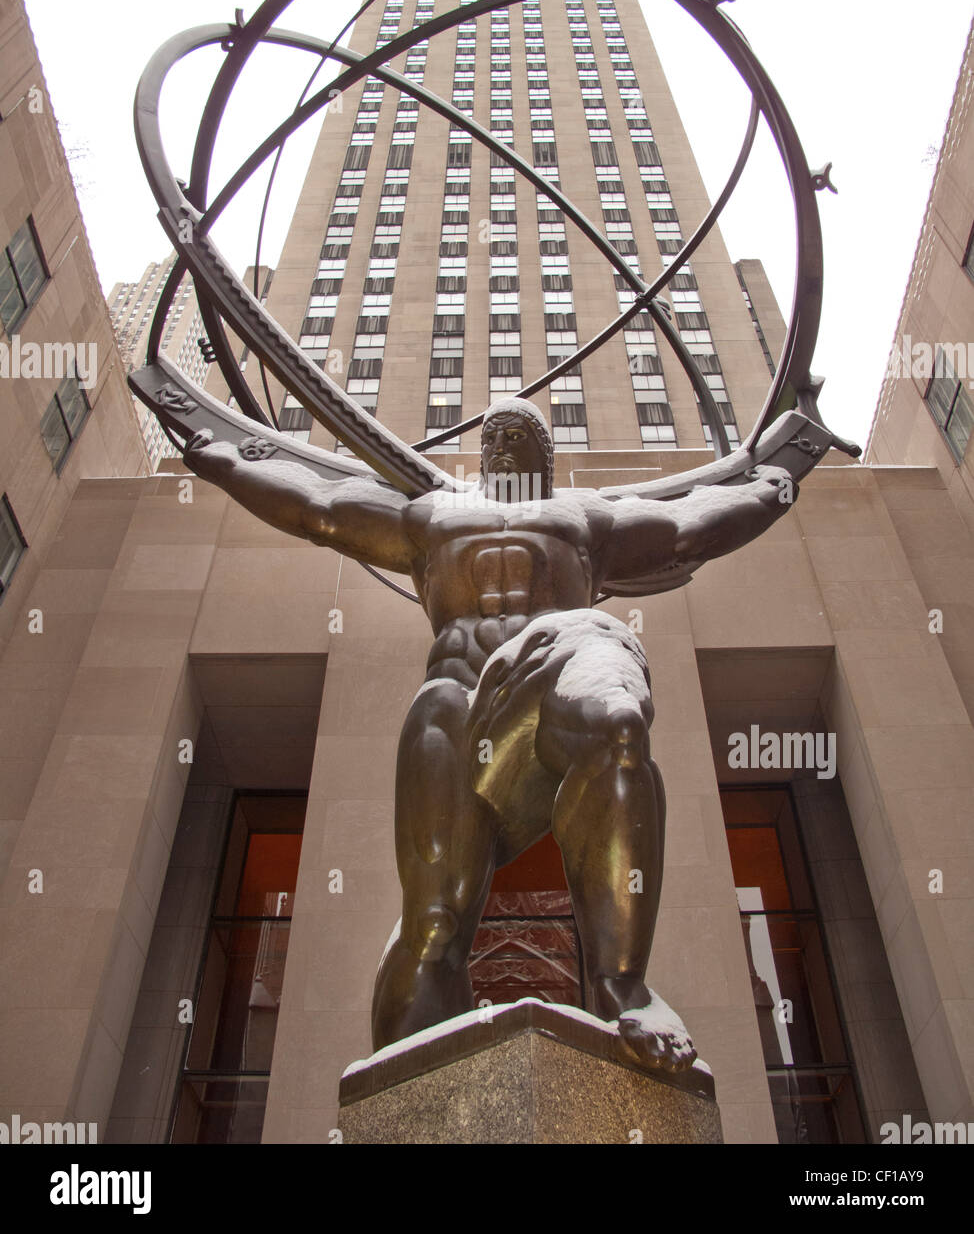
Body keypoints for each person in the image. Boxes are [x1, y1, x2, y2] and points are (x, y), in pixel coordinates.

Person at [184, 397, 794, 1071]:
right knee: (435, 924)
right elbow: (321, 509)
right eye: (493, 435)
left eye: (520, 435)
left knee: (618, 721)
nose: (502, 443)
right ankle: (411, 1084)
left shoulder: (583, 516)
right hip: (460, 703)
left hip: (557, 666)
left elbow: (687, 528)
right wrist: (224, 464)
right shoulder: (432, 515)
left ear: (547, 455)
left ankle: (621, 983)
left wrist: (772, 487)